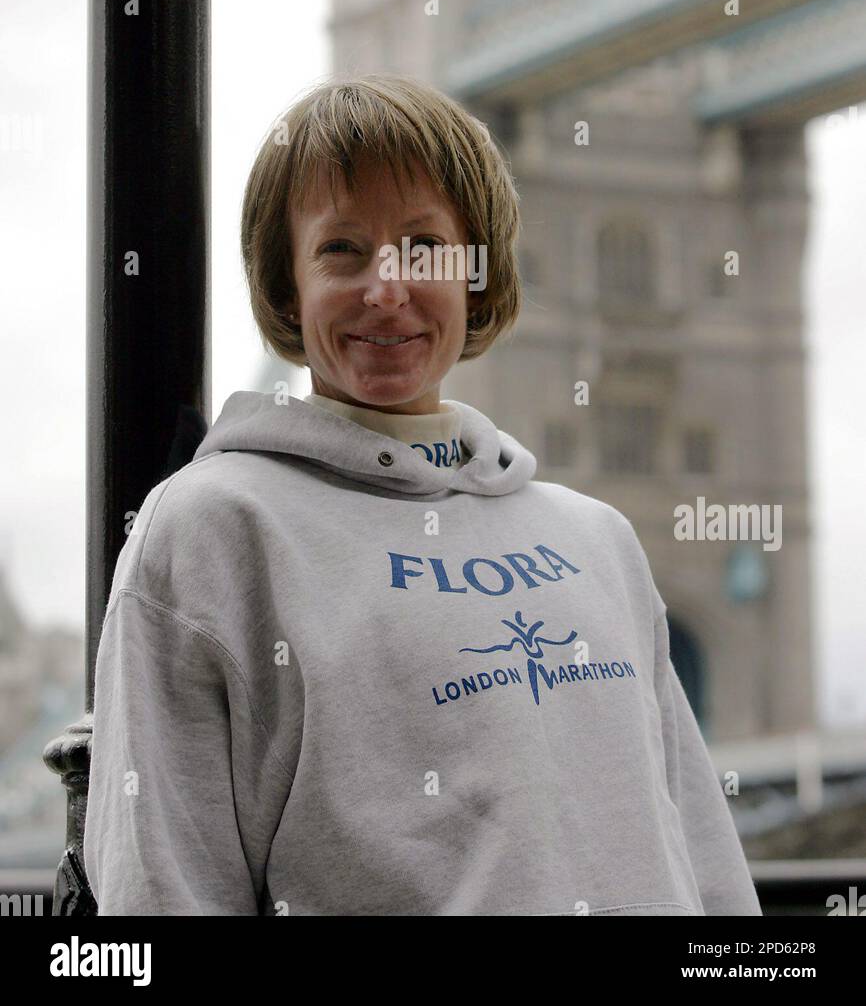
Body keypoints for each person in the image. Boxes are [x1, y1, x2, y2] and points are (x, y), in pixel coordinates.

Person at [83, 73, 762, 916]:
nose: (387, 288)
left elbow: (703, 854)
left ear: (476, 274)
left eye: (424, 247)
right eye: (342, 250)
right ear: (287, 286)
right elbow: (160, 892)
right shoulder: (210, 533)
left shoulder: (599, 539)